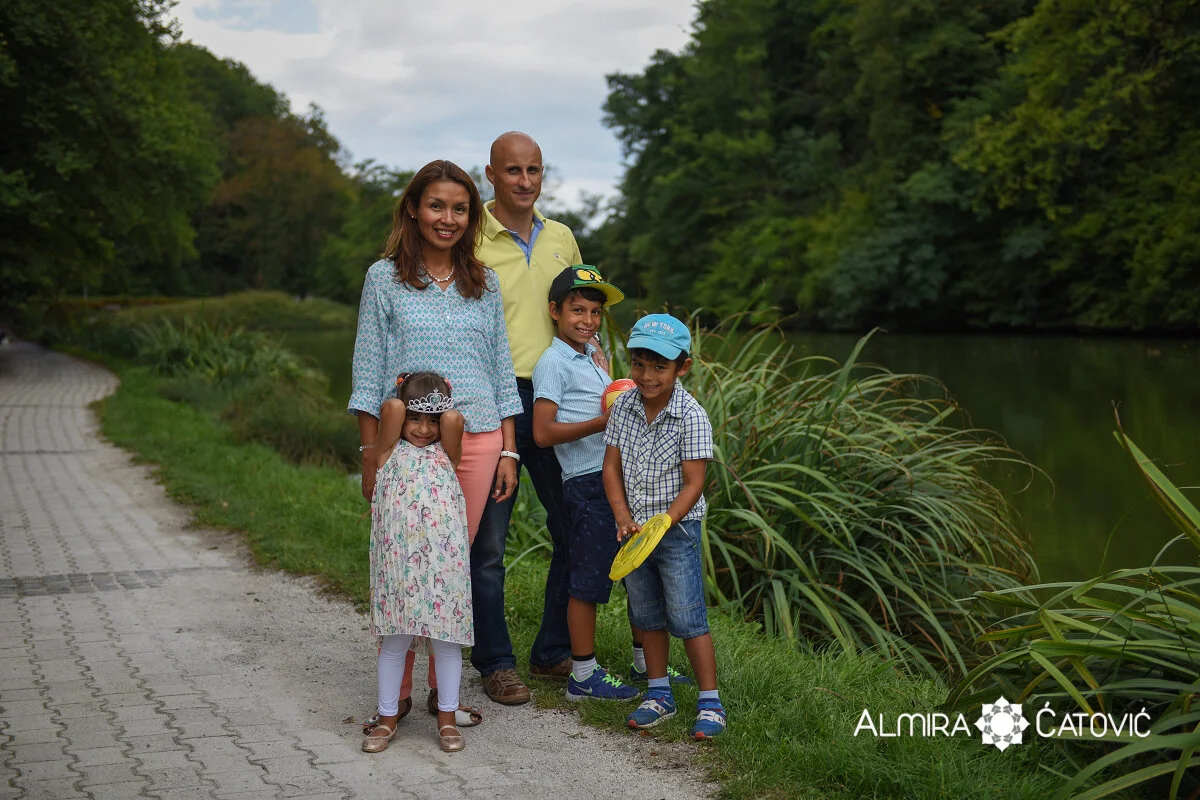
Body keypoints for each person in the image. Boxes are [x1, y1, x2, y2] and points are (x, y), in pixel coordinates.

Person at [349, 159, 522, 723]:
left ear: (472, 217)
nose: (448, 218)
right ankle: (393, 698)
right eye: (437, 206)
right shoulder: (384, 279)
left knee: (450, 568)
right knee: (403, 565)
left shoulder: (484, 282)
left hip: (478, 442)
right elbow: (368, 370)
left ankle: (441, 694)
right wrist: (371, 454)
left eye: (460, 208)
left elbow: (501, 370)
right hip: (407, 447)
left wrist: (509, 449)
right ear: (413, 210)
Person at [468, 131, 586, 704]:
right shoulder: (470, 238)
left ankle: (553, 651)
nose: (524, 181)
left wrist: (597, 367)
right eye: (512, 170)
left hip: (558, 396)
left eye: (533, 170)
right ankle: (495, 662)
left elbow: (581, 314)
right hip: (496, 398)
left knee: (576, 528)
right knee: (489, 543)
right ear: (491, 175)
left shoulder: (562, 236)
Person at [602, 314, 727, 740]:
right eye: (639, 364)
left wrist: (664, 523)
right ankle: (659, 694)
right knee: (646, 614)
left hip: (676, 531)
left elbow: (695, 483)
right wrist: (622, 516)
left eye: (659, 366)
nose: (647, 376)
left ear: (682, 367)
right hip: (635, 533)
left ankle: (710, 701)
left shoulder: (691, 416)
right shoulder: (624, 407)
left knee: (687, 615)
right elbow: (611, 467)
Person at [531, 266, 641, 701]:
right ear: (554, 311)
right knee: (588, 580)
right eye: (578, 310)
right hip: (586, 484)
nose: (588, 320)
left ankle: (647, 666)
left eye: (595, 312)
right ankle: (582, 674)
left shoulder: (592, 356)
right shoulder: (553, 362)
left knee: (638, 572)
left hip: (616, 479)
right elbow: (542, 433)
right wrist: (603, 422)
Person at [361, 372, 475, 754]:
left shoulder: (447, 454)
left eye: (432, 420)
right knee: (395, 642)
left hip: (443, 565)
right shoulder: (387, 451)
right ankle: (387, 717)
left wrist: (439, 405)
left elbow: (455, 419)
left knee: (446, 643)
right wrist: (404, 395)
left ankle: (447, 717)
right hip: (399, 565)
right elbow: (391, 408)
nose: (424, 429)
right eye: (415, 418)